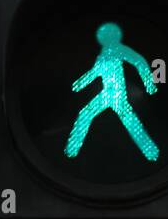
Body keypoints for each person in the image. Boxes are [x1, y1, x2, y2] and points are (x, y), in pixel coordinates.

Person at [64, 22, 159, 161]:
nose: (105, 37)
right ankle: (71, 151)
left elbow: (139, 61)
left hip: (117, 95)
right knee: (86, 114)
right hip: (107, 93)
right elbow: (96, 72)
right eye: (104, 35)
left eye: (108, 34)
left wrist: (149, 83)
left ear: (114, 36)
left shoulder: (119, 49)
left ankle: (152, 153)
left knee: (131, 123)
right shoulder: (103, 53)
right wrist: (79, 84)